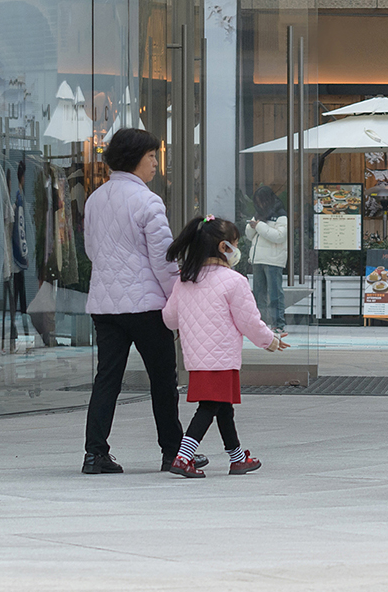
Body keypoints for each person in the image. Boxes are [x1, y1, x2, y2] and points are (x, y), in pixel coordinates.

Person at [81, 128, 178, 475]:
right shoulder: (148, 201)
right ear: (136, 158)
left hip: (105, 306)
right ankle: (173, 452)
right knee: (163, 380)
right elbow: (164, 261)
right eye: (152, 156)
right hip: (145, 305)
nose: (155, 163)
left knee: (107, 379)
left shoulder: (95, 199)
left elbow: (92, 251)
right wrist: (176, 300)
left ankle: (95, 453)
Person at [160, 216, 287, 477]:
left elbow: (169, 318)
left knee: (222, 407)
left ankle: (238, 458)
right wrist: (269, 341)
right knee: (209, 407)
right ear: (223, 247)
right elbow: (249, 321)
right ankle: (183, 457)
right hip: (221, 355)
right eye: (235, 244)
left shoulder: (185, 279)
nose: (237, 249)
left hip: (197, 356)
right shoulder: (234, 281)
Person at [245, 188, 289, 333]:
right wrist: (252, 227)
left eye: (261, 200)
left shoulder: (281, 215)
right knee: (259, 294)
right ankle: (260, 324)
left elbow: (279, 236)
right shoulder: (258, 214)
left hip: (273, 260)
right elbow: (250, 236)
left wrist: (259, 225)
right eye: (257, 201)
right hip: (258, 259)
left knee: (275, 294)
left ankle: (278, 324)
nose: (260, 204)